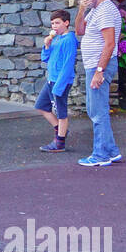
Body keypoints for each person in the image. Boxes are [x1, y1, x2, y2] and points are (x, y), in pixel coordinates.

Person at [74, 0, 123, 167]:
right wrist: (81, 10)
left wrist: (99, 70)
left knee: (97, 110)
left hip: (99, 65)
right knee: (96, 108)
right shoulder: (96, 10)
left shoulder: (105, 11)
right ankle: (110, 151)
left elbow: (110, 43)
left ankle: (101, 154)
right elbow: (79, 30)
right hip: (95, 64)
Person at [36, 9, 77, 152]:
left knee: (61, 112)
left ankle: (60, 142)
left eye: (57, 23)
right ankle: (61, 131)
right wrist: (47, 45)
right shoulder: (56, 39)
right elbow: (45, 58)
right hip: (51, 79)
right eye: (52, 23)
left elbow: (68, 64)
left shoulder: (69, 40)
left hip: (60, 82)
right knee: (41, 106)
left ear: (66, 23)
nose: (54, 26)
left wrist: (59, 86)